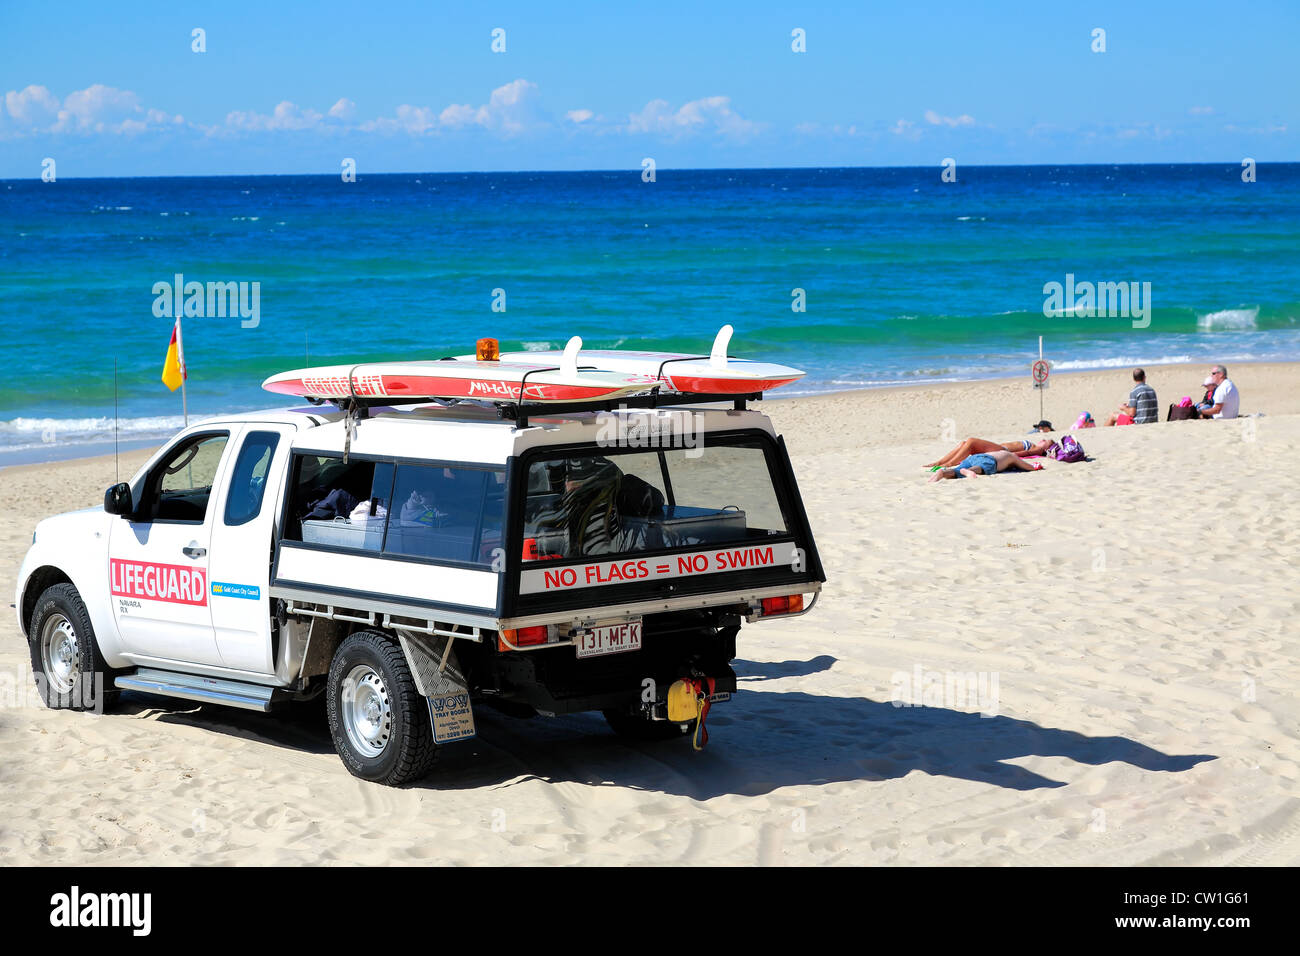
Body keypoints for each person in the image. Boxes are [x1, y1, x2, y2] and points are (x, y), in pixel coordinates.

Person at [926, 436, 1055, 469]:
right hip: (998, 448)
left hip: (1002, 451)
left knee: (971, 441)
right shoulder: (1034, 445)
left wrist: (1010, 456)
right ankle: (939, 462)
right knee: (964, 444)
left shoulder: (1036, 448)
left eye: (1046, 441)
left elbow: (1019, 455)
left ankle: (948, 464)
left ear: (1046, 448)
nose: (1043, 439)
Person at [928, 449, 1044, 481]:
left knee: (956, 472)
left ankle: (943, 473)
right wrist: (1036, 467)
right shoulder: (1011, 456)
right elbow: (1028, 467)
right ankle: (967, 471)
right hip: (988, 459)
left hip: (973, 457)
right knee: (982, 468)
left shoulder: (1000, 453)